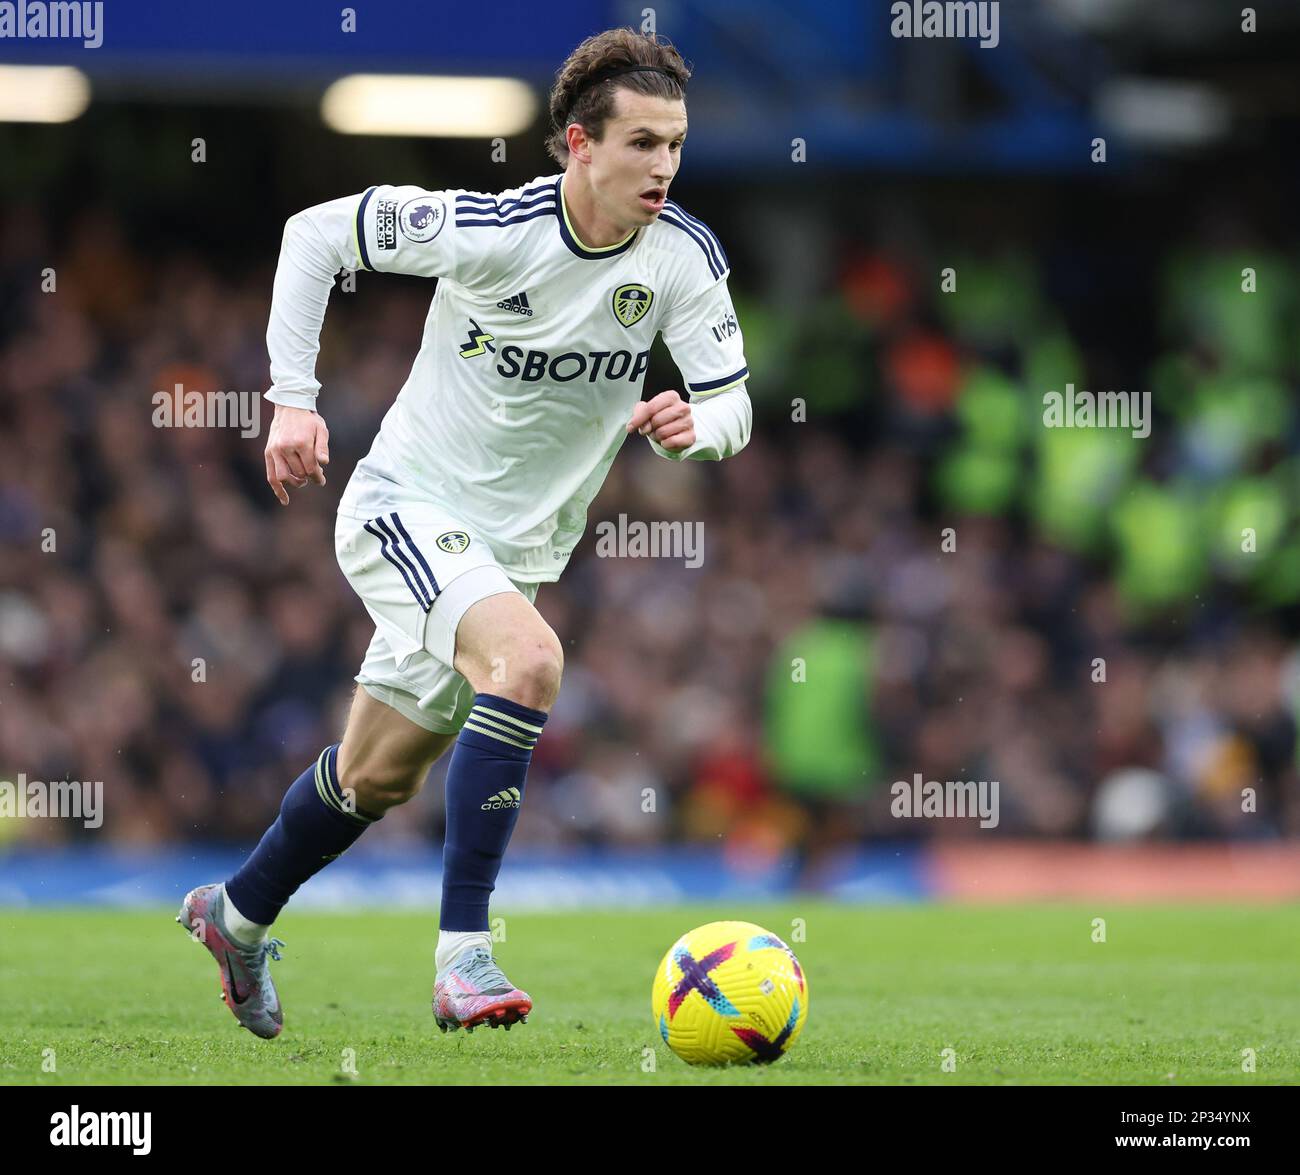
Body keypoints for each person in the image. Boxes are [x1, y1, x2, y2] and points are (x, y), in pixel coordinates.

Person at [177, 27, 753, 1038]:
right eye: (640, 144)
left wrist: (693, 427)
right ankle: (465, 959)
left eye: (675, 144)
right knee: (528, 662)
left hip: (510, 556)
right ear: (578, 144)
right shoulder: (489, 227)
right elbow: (315, 234)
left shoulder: (681, 260)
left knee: (374, 777)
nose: (663, 166)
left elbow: (733, 405)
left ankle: (235, 912)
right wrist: (293, 400)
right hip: (406, 505)